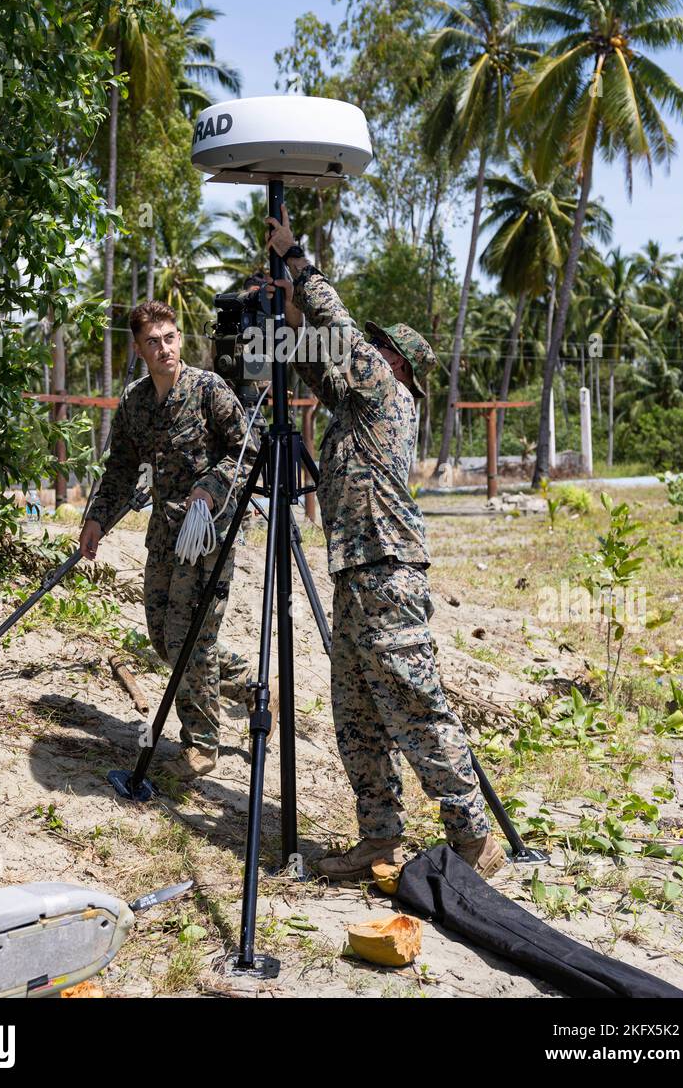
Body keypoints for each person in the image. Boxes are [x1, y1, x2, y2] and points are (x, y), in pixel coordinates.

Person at [265, 207, 505, 881]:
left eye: (376, 349)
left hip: (387, 571)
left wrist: (299, 260)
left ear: (394, 362)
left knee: (413, 703)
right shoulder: (359, 406)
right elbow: (316, 369)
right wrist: (287, 316)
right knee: (358, 712)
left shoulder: (390, 396)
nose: (364, 353)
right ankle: (379, 836)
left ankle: (472, 836)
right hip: (356, 573)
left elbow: (338, 337)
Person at [80, 299, 273, 780]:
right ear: (139, 348)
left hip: (211, 532)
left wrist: (209, 490)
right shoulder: (136, 402)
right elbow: (121, 468)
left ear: (179, 339)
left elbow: (249, 449)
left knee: (191, 637)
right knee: (164, 639)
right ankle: (249, 686)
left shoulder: (210, 390)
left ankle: (202, 743)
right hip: (165, 533)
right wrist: (97, 520)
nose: (163, 348)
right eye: (152, 342)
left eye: (169, 338)